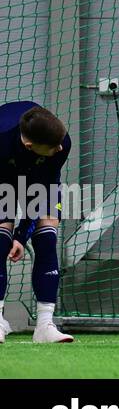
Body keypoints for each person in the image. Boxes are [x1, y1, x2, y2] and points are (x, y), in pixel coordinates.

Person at [0, 102, 75, 343]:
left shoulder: (60, 143)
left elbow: (43, 194)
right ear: (29, 144)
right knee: (1, 236)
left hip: (40, 178)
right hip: (3, 176)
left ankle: (45, 325)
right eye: (54, 146)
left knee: (47, 235)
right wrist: (11, 233)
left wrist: (22, 236)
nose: (60, 148)